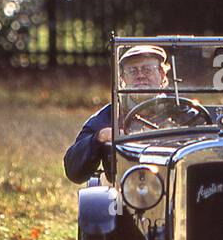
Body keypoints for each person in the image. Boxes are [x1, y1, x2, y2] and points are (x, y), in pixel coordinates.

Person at [63, 44, 169, 184]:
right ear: (123, 78)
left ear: (162, 74)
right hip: (123, 193)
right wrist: (99, 137)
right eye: (132, 71)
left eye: (147, 70)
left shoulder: (183, 113)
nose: (140, 76)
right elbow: (73, 171)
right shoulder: (108, 116)